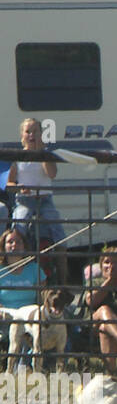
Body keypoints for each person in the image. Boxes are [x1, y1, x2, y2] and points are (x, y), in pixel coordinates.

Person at [6, 117, 67, 282]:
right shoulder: (18, 157)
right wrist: (18, 188)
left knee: (59, 235)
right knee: (19, 227)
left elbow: (51, 174)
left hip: (45, 200)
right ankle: (16, 270)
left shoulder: (47, 154)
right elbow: (9, 182)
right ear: (22, 136)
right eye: (28, 132)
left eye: (35, 131)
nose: (31, 135)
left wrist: (41, 153)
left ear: (41, 134)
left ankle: (64, 281)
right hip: (25, 200)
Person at [0, 227, 43, 311]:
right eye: (10, 242)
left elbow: (43, 296)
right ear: (3, 246)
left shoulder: (34, 269)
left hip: (30, 316)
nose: (14, 245)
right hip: (4, 316)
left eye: (18, 242)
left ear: (24, 246)